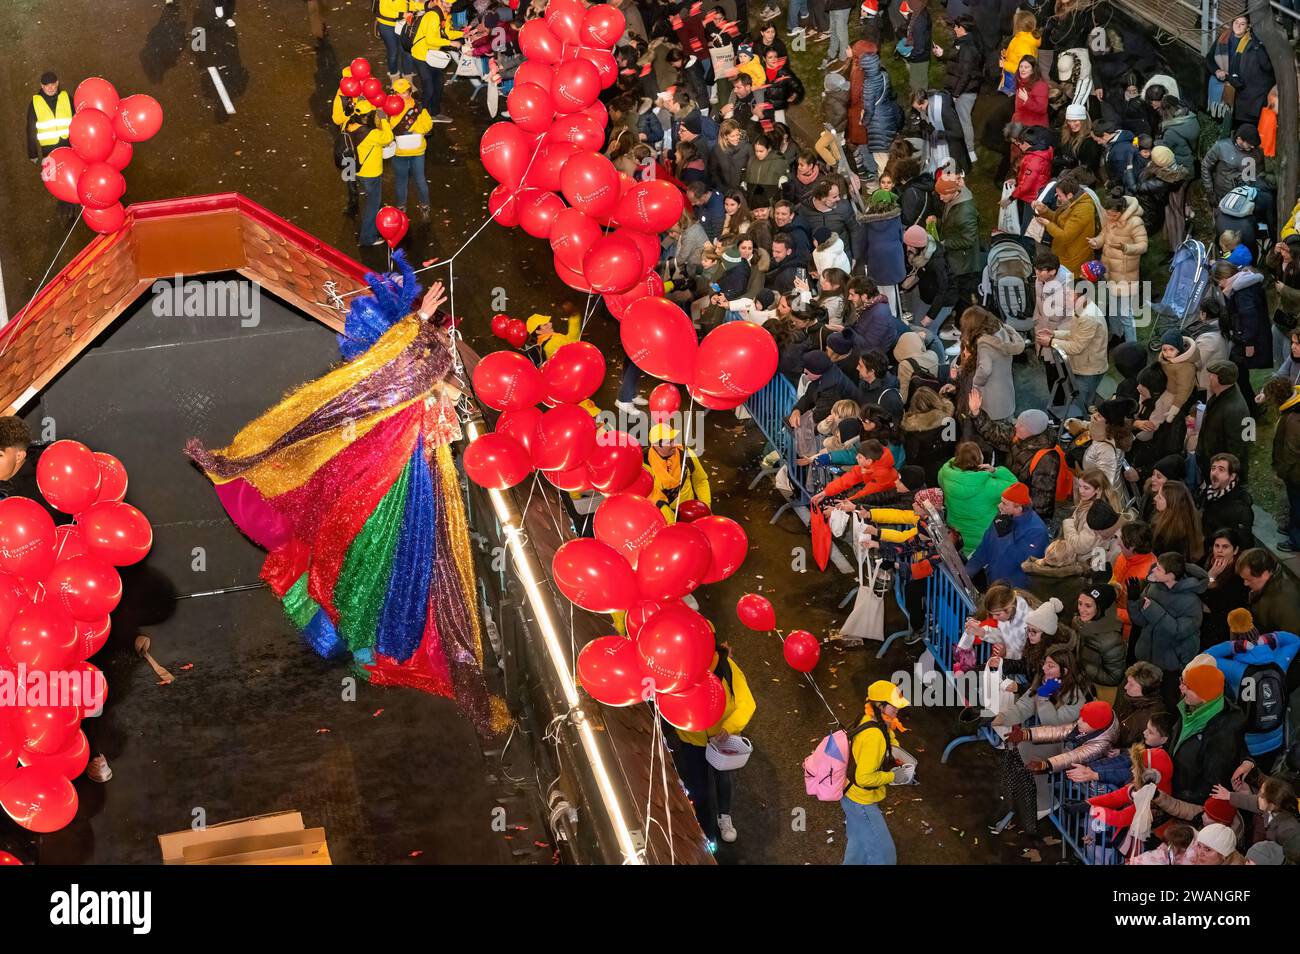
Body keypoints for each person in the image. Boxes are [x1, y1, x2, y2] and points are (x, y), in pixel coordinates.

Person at [665, 637, 755, 848]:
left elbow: (747, 704)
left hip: (722, 740)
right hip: (691, 739)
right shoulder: (678, 670)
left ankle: (724, 817)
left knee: (723, 779)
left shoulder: (726, 667)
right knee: (698, 787)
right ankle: (704, 828)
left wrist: (728, 727)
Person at [989, 648, 1086, 836]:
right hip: (1043, 737)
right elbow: (1023, 707)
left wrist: (1043, 699)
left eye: (1051, 666)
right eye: (1045, 663)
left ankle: (1043, 801)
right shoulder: (1042, 682)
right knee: (1015, 747)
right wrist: (996, 719)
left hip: (1067, 744)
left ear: (1064, 671)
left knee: (1025, 749)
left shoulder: (1075, 697)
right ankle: (1015, 795)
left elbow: (1055, 725)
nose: (1044, 668)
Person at [1206, 608, 1298, 764]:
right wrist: (1272, 638)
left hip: (1247, 745)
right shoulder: (1278, 663)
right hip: (1277, 737)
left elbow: (1205, 657)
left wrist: (1231, 647)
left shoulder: (1234, 669)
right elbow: (1295, 640)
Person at [840, 680, 913, 865]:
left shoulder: (870, 718)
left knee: (858, 845)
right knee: (884, 855)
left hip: (848, 795)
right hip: (861, 801)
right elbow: (863, 777)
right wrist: (893, 776)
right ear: (880, 706)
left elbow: (889, 736)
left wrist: (895, 750)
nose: (898, 709)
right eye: (894, 705)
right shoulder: (874, 738)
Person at [1130, 552, 1209, 710]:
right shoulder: (1153, 588)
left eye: (1158, 569)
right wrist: (1133, 602)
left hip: (1169, 669)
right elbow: (1140, 621)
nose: (1153, 571)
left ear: (1171, 576)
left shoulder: (1191, 601)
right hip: (1146, 659)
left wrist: (1153, 610)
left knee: (1165, 708)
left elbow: (1179, 631)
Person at [967, 397, 1063, 523]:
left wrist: (1027, 522)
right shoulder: (1019, 435)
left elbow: (1042, 500)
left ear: (1031, 431)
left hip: (1021, 509)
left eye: (1021, 425)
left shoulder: (1047, 459)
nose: (1016, 426)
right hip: (1010, 497)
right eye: (1017, 422)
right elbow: (995, 432)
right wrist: (976, 413)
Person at [1168, 660, 1247, 805]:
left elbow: (1211, 783)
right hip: (1174, 790)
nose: (1181, 688)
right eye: (1182, 681)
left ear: (1203, 694)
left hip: (1190, 802)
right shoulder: (1189, 707)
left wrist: (1175, 799)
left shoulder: (1224, 730)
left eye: (1187, 686)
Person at [1037, 287, 1108, 418]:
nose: (1064, 298)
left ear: (1080, 296)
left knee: (1081, 406)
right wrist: (1054, 333)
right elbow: (1074, 334)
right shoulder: (1081, 309)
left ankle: (1082, 430)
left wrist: (1051, 341)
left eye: (1068, 295)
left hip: (1089, 369)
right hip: (1083, 365)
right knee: (1078, 401)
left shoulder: (1088, 317)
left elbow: (1076, 347)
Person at [938, 441, 1017, 557]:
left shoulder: (944, 476)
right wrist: (996, 471)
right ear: (980, 459)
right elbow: (1015, 486)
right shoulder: (989, 486)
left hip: (956, 538)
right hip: (983, 542)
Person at [964, 482, 1049, 589]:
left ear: (1019, 508)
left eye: (1004, 503)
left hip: (1011, 593)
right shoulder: (1003, 518)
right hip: (993, 582)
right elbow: (985, 547)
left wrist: (1004, 535)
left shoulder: (1037, 531)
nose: (999, 506)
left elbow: (1025, 567)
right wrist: (967, 573)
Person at [1193, 361, 1252, 488]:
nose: (1209, 378)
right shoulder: (1219, 396)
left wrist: (1224, 472)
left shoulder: (1235, 409)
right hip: (1212, 463)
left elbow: (1240, 446)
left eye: (1212, 375)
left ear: (1221, 380)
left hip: (1223, 474)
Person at [1216, 776, 1300, 863]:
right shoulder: (1272, 807)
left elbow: (1294, 859)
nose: (1258, 795)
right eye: (1260, 791)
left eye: (1262, 795)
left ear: (1272, 804)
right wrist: (1229, 796)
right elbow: (1251, 801)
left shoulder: (1289, 830)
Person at [935, 15, 983, 164]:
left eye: (956, 26)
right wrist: (943, 54)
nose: (954, 29)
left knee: (964, 120)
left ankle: (970, 151)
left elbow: (966, 73)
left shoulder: (967, 46)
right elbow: (957, 58)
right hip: (961, 88)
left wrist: (956, 93)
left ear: (964, 29)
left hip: (964, 90)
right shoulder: (963, 43)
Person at [1031, 170, 1097, 276]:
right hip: (1064, 254)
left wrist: (1047, 224)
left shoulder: (1083, 210)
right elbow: (1060, 220)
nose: (1058, 198)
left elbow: (1065, 236)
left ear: (1070, 195)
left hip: (1073, 260)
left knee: (1070, 290)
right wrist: (1045, 210)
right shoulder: (1073, 202)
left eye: (1060, 195)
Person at [386, 79, 433, 220]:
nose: (401, 96)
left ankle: (424, 207)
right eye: (397, 93)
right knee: (402, 181)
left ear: (410, 92)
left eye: (404, 92)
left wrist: (415, 130)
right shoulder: (388, 109)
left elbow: (428, 124)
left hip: (415, 152)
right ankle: (402, 209)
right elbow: (384, 129)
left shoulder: (418, 107)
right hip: (400, 153)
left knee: (419, 180)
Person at [645, 423, 710, 521]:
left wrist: (705, 507)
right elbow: (650, 497)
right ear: (656, 445)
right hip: (663, 518)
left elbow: (701, 481)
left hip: (691, 512)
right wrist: (671, 522)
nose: (675, 444)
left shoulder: (687, 455)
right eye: (670, 442)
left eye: (674, 439)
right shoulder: (645, 465)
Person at [411, 0, 463, 123]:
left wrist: (463, 34)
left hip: (433, 56)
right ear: (439, 1)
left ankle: (434, 113)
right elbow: (430, 40)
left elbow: (446, 33)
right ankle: (422, 116)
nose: (450, 7)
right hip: (421, 55)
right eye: (447, 4)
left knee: (438, 84)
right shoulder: (433, 16)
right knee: (428, 87)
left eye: (451, 4)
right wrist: (450, 43)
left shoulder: (444, 15)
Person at [350, 110, 393, 247]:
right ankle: (367, 238)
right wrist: (384, 120)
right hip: (371, 174)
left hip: (358, 171)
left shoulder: (349, 126)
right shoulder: (371, 134)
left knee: (369, 202)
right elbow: (388, 137)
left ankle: (371, 230)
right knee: (372, 206)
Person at [1202, 529, 1250, 648]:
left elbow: (1222, 605)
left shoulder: (1238, 574)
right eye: (1216, 546)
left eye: (1225, 547)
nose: (1219, 550)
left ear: (1235, 550)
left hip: (1222, 625)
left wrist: (1210, 579)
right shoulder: (1207, 560)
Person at [1237, 547, 1300, 637]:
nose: (1245, 583)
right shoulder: (1265, 585)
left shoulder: (1285, 604)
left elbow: (1293, 641)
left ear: (1265, 574)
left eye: (1249, 579)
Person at [1197, 453, 1253, 550]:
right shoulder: (1205, 494)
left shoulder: (1240, 506)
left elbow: (1243, 542)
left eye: (1221, 470)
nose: (1214, 473)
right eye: (1213, 468)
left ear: (1232, 476)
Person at [1201, 124, 1263, 208]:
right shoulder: (1221, 147)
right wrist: (1210, 192)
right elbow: (1205, 166)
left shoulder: (1256, 151)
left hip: (1245, 196)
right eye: (1249, 144)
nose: (1252, 146)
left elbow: (1259, 170)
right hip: (1221, 194)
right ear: (1239, 139)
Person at [1151, 480, 1205, 564]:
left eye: (1160, 497)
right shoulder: (1185, 521)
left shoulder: (1173, 537)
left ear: (1172, 504)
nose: (1155, 498)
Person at [26, 70, 71, 163]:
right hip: (48, 151)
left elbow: (77, 120)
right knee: (52, 177)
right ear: (42, 86)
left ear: (57, 83)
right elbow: (31, 129)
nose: (50, 88)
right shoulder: (35, 103)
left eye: (53, 84)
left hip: (68, 146)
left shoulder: (66, 97)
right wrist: (32, 153)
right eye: (47, 85)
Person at [376, 0, 418, 85]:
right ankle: (394, 78)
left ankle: (408, 79)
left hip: (403, 23)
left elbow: (411, 3)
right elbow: (383, 10)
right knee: (393, 53)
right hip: (387, 25)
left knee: (407, 51)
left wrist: (422, 6)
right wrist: (401, 14)